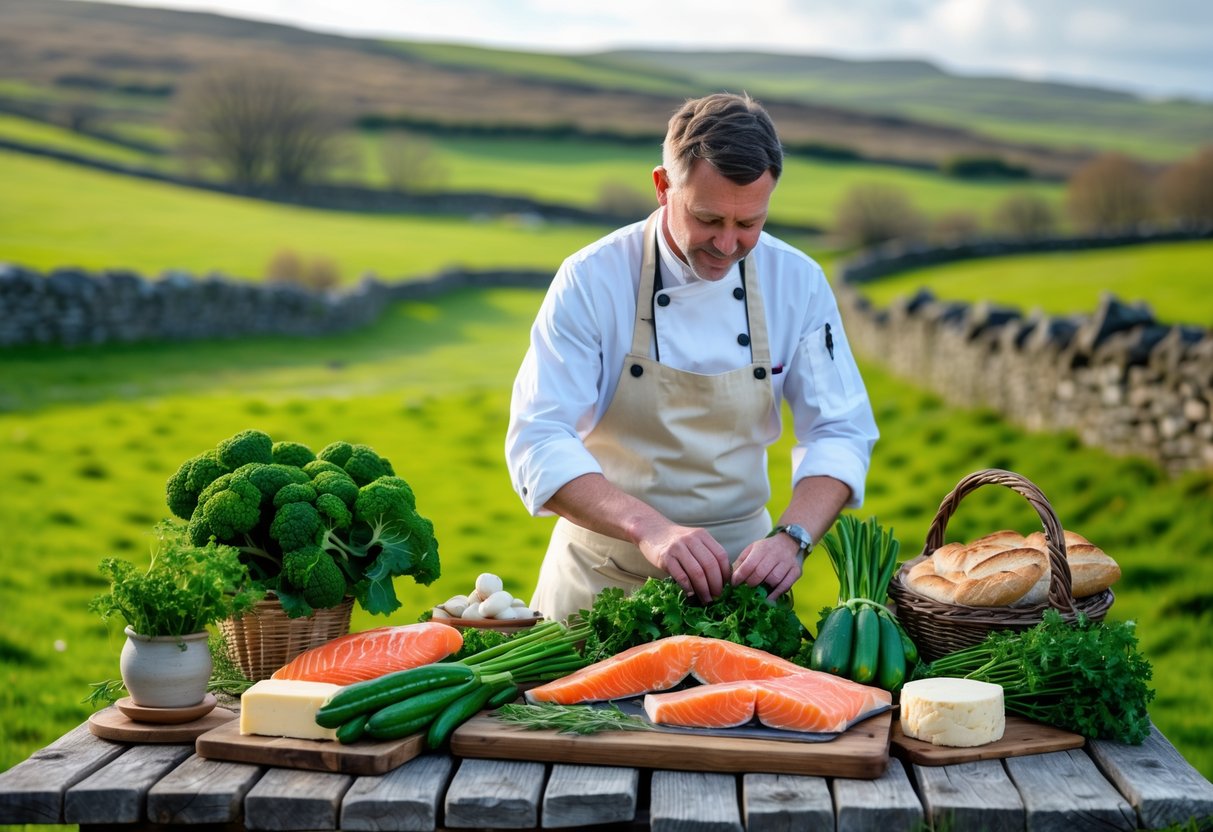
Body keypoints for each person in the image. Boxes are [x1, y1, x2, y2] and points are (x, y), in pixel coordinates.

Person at [505, 93, 878, 623]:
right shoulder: (592, 278)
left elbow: (840, 431)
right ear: (663, 187)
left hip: (738, 593)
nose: (727, 244)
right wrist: (649, 528)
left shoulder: (796, 281)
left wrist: (792, 539)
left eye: (749, 223)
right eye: (708, 219)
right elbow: (538, 438)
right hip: (599, 584)